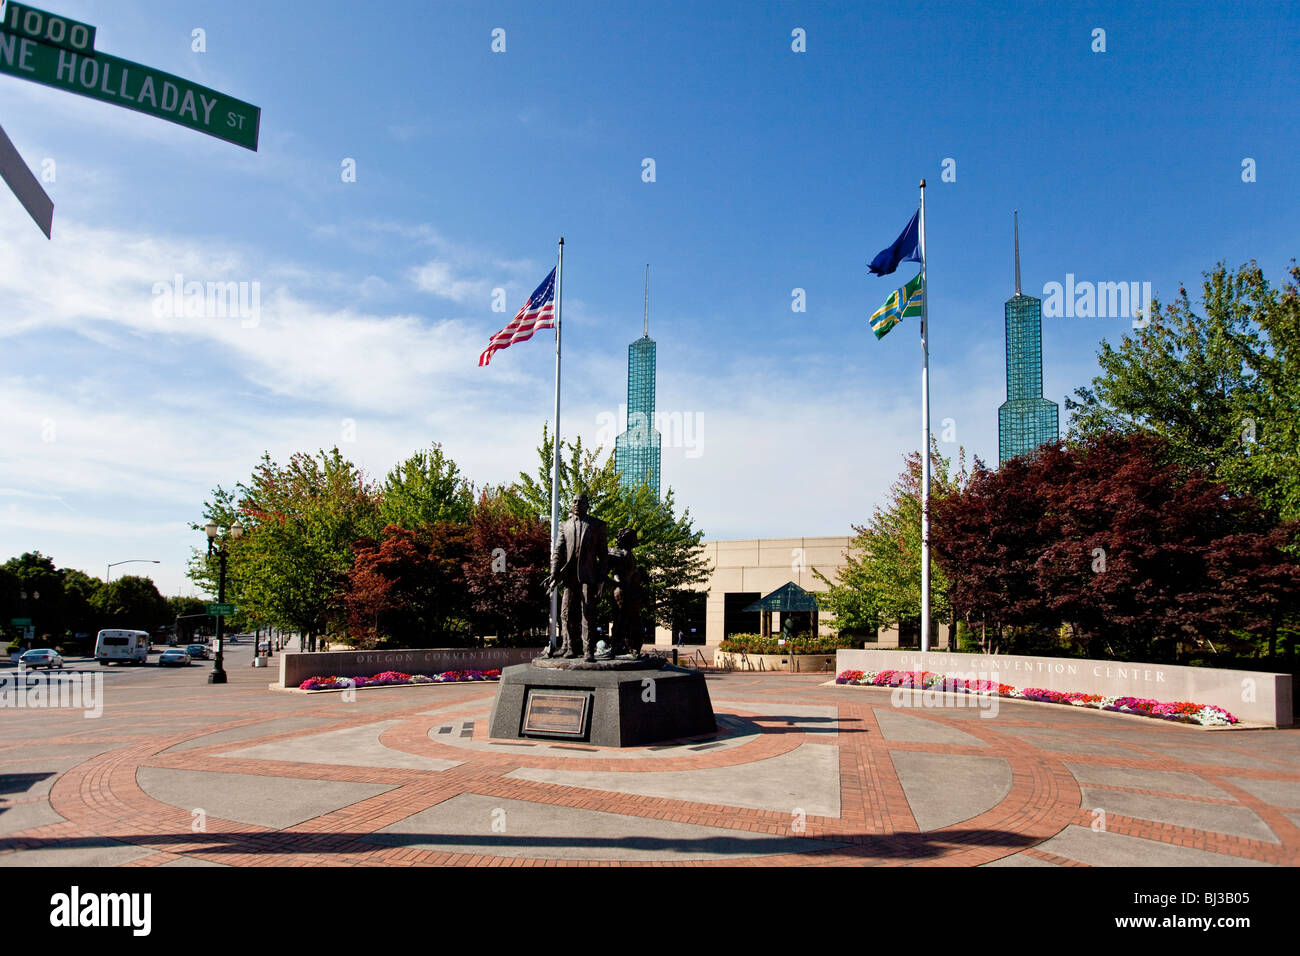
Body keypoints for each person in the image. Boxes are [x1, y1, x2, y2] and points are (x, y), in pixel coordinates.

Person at [543, 493, 608, 660]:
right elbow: (558, 552)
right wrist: (554, 572)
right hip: (570, 577)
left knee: (588, 613)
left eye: (580, 502)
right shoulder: (565, 526)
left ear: (587, 504)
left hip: (589, 576)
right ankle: (570, 647)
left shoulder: (597, 525)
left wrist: (601, 580)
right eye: (574, 501)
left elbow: (603, 556)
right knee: (566, 613)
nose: (577, 504)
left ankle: (588, 651)